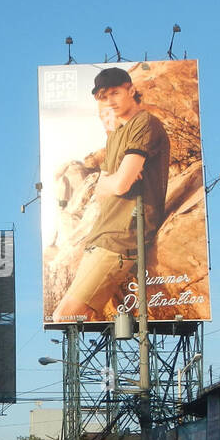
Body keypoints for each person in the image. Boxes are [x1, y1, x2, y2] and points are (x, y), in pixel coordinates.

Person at [52, 68, 171, 322]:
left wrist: (116, 182)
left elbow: (118, 185)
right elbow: (105, 189)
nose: (110, 101)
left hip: (123, 237)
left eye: (115, 93)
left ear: (131, 90)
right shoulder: (117, 133)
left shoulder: (144, 123)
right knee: (84, 317)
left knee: (64, 316)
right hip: (103, 234)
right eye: (103, 97)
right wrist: (114, 182)